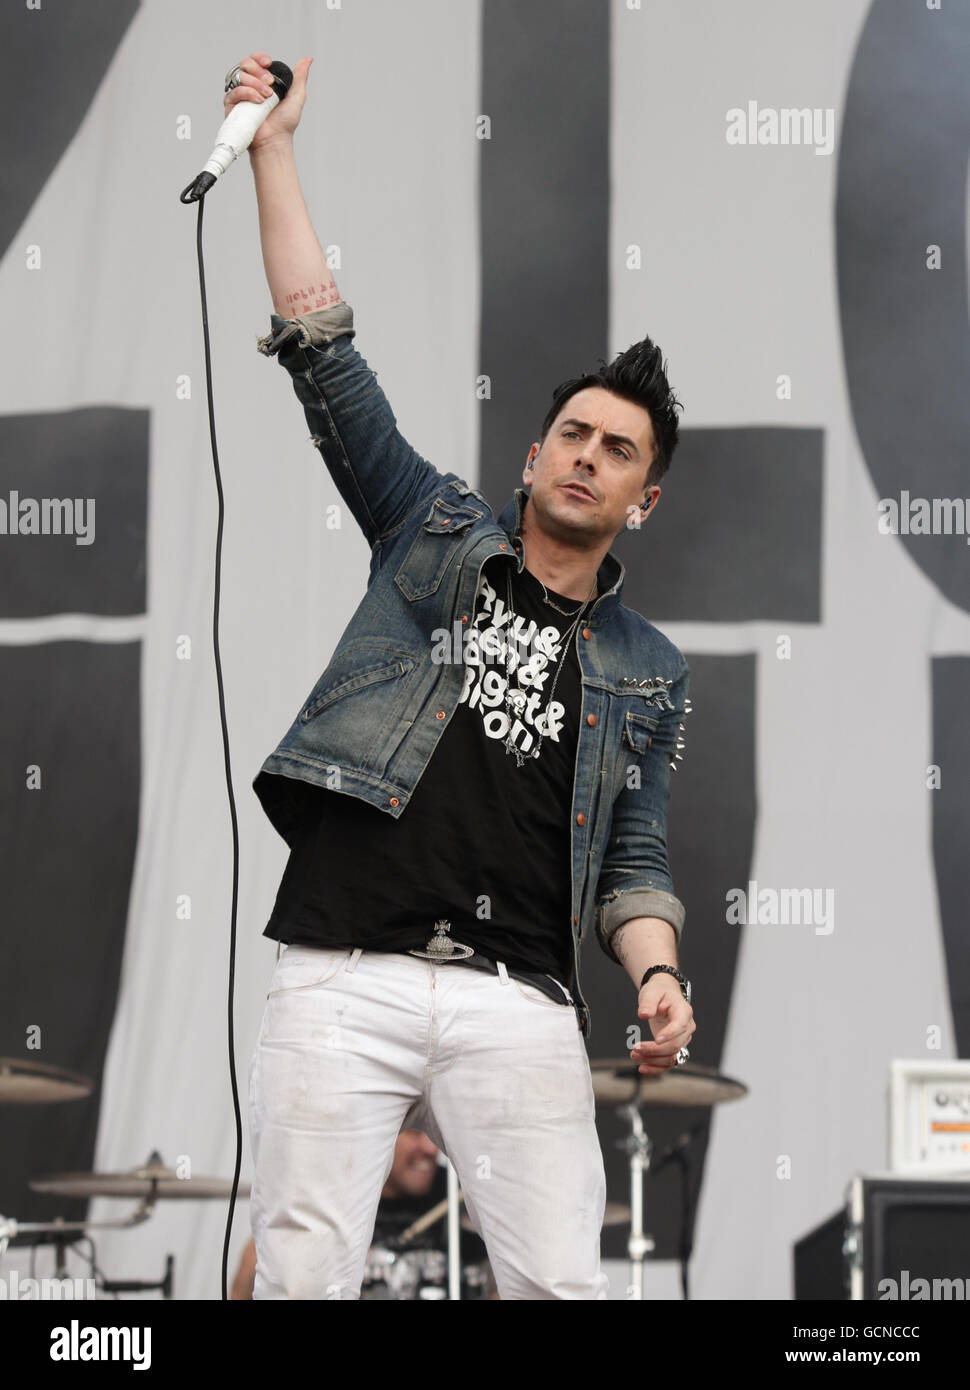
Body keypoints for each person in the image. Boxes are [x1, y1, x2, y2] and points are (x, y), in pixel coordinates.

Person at [230, 51, 696, 1300]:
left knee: (561, 1287)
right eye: (576, 435)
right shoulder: (434, 531)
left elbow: (635, 857)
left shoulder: (648, 669)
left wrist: (654, 973)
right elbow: (325, 355)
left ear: (641, 500)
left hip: (521, 996)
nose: (588, 458)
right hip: (346, 960)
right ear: (536, 451)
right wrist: (272, 149)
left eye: (619, 453)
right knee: (298, 1279)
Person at [231, 1130, 492, 1299]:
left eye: (432, 1135)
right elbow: (253, 1266)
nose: (430, 1149)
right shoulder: (329, 1201)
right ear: (378, 1137)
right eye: (414, 1133)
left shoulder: (468, 1200)